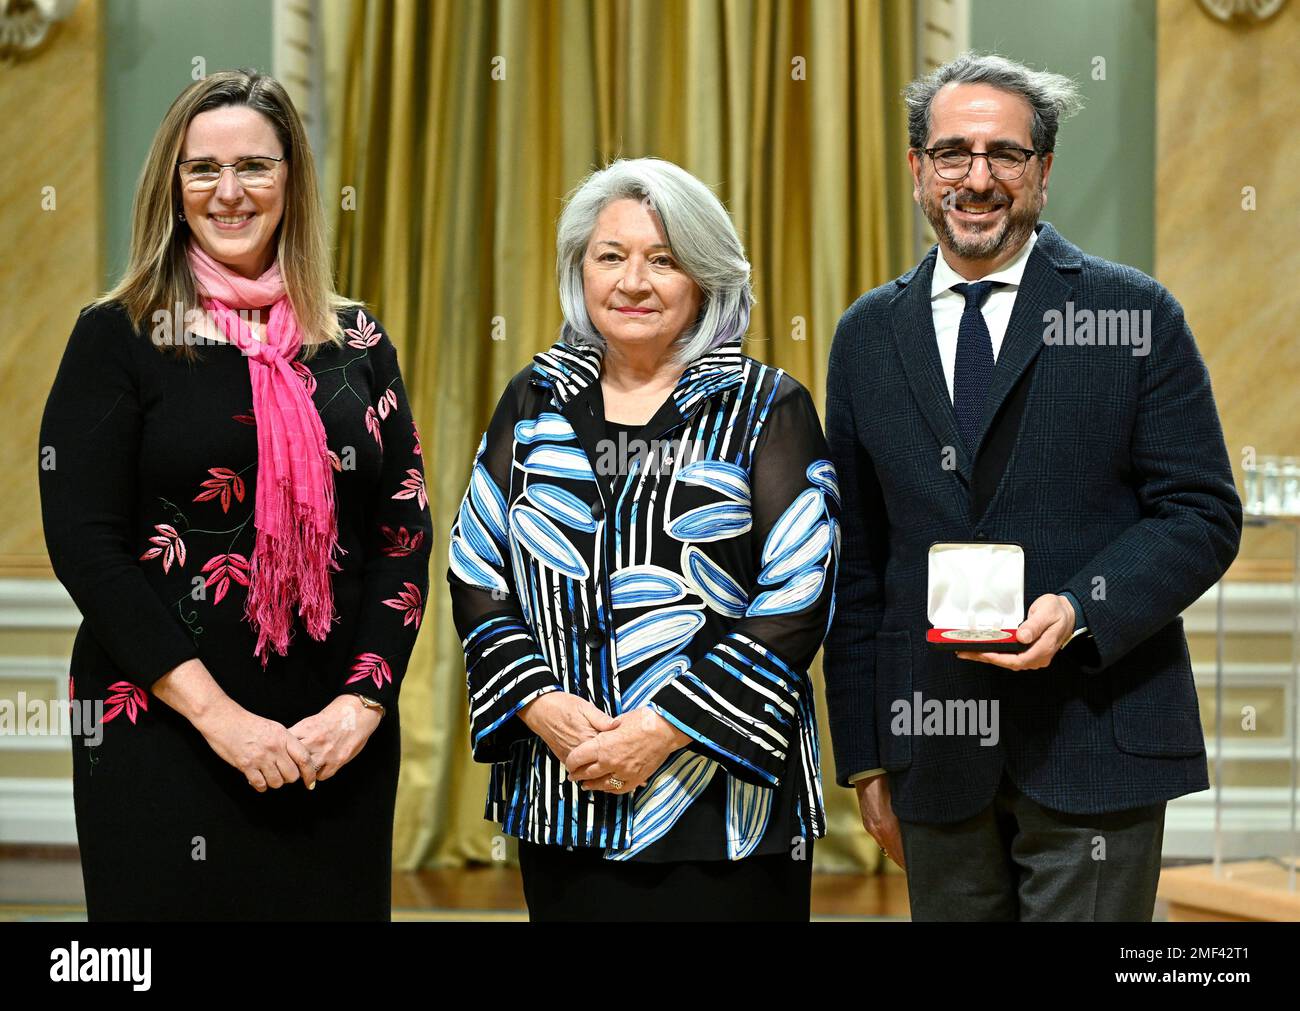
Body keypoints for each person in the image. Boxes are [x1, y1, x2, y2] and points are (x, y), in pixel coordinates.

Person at [823, 53, 1242, 921]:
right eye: (952, 153)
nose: (978, 179)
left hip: (1100, 733)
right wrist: (865, 758)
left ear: (1043, 172)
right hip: (932, 748)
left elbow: (1201, 513)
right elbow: (855, 562)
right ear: (917, 171)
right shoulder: (866, 335)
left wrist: (1081, 608)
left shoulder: (1136, 314)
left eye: (1005, 155)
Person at [37, 70, 431, 920]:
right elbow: (85, 545)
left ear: (292, 178)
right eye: (201, 169)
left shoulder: (354, 338)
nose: (229, 192)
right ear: (171, 187)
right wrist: (224, 722)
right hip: (162, 726)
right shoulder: (118, 333)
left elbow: (403, 531)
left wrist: (362, 706)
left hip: (333, 741)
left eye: (255, 165)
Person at [447, 157, 838, 921]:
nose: (633, 281)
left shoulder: (767, 405)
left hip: (726, 810)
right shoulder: (533, 398)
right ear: (579, 271)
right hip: (567, 789)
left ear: (705, 278)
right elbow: (474, 566)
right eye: (611, 256)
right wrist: (536, 702)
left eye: (664, 260)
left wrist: (664, 728)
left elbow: (800, 595)